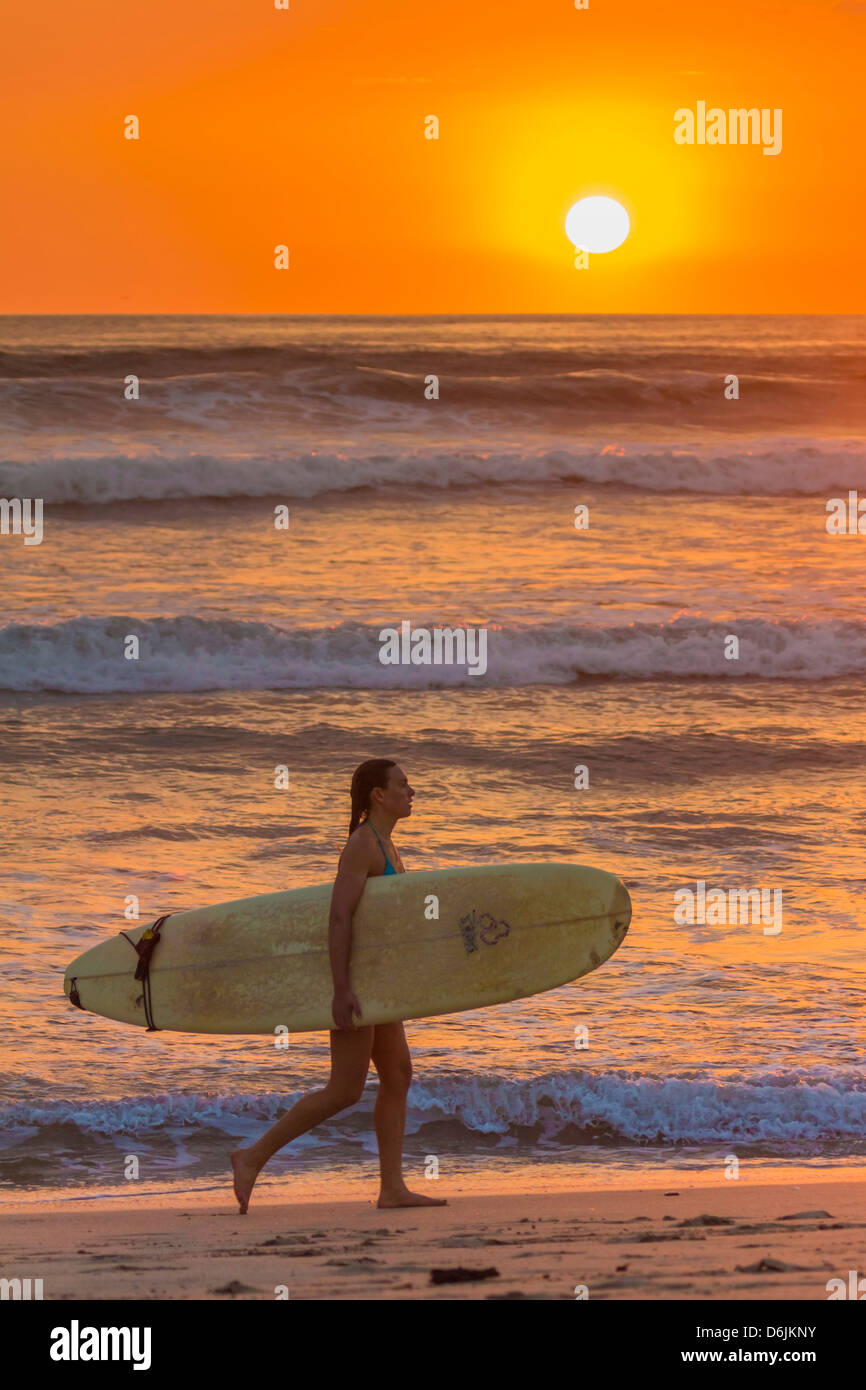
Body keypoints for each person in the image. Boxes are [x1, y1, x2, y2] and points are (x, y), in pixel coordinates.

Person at [231, 759, 447, 1213]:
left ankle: (392, 1189)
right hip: (360, 984)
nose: (412, 792)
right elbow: (338, 916)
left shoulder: (387, 844)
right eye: (403, 785)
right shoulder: (362, 846)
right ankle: (251, 1157)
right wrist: (341, 988)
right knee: (344, 1090)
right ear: (377, 794)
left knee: (398, 1075)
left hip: (380, 984)